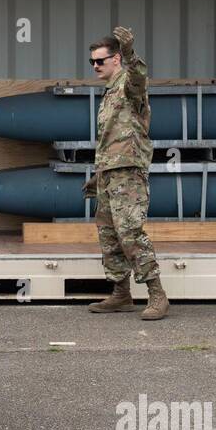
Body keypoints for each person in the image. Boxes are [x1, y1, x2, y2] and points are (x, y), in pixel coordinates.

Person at [84, 26, 169, 320]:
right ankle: (121, 293)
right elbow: (110, 138)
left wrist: (132, 53)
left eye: (100, 60)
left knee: (130, 233)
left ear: (116, 59)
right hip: (110, 173)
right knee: (109, 235)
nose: (95, 66)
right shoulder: (108, 94)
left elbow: (139, 78)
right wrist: (99, 172)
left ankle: (157, 295)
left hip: (129, 174)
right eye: (92, 61)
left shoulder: (129, 87)